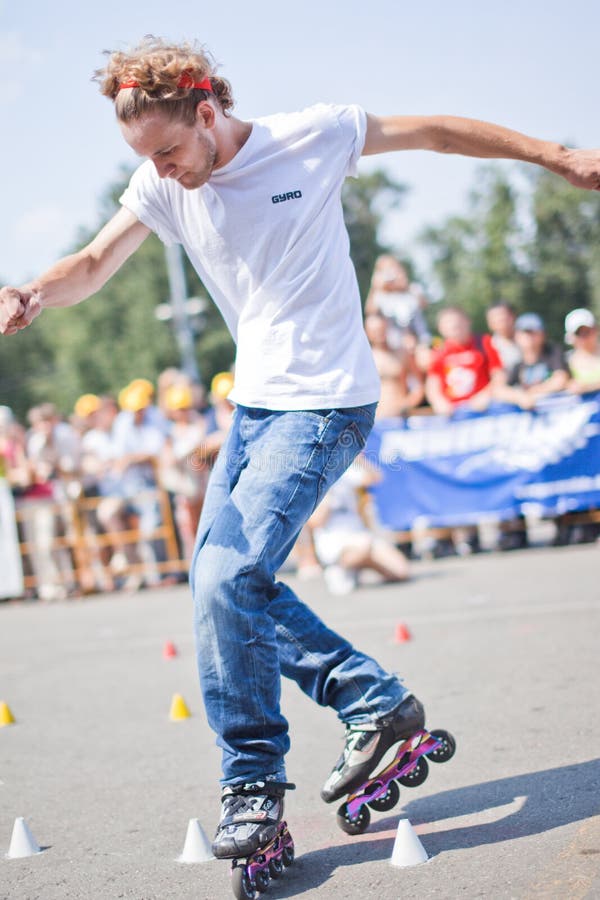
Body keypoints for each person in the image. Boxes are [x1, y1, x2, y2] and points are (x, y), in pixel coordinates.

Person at [2, 36, 600, 860]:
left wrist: (557, 155)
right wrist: (35, 290)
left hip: (326, 400)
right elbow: (96, 262)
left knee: (225, 576)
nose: (165, 170)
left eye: (172, 149)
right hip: (254, 410)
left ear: (208, 112)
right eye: (148, 157)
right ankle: (373, 702)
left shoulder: (310, 138)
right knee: (219, 590)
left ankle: (251, 781)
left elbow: (435, 132)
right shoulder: (159, 181)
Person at [309, 455, 410, 594]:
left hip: (359, 534)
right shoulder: (316, 477)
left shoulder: (347, 471)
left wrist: (357, 457)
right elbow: (315, 523)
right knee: (362, 550)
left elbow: (376, 477)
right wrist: (329, 496)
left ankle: (358, 567)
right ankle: (338, 567)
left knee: (401, 571)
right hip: (334, 541)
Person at [425, 306, 505, 415]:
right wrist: (438, 402)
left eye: (457, 322)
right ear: (441, 328)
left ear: (467, 322)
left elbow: (499, 376)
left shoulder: (484, 343)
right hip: (453, 415)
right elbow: (432, 384)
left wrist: (486, 394)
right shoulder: (439, 352)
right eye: (448, 323)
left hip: (483, 410)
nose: (453, 326)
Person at [494, 312, 569, 408]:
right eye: (525, 332)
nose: (529, 337)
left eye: (532, 332)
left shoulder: (552, 353)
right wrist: (519, 397)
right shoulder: (518, 364)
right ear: (516, 336)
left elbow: (561, 379)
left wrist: (533, 393)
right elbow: (499, 390)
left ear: (542, 334)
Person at [364, 312, 425, 418]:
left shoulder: (402, 354)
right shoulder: (364, 359)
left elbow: (419, 387)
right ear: (367, 332)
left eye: (382, 329)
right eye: (375, 331)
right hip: (375, 420)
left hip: (400, 417)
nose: (379, 333)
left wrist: (406, 405)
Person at [564, 308, 600, 394]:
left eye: (587, 331)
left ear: (596, 330)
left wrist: (588, 387)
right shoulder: (566, 360)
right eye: (579, 333)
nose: (584, 337)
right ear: (571, 336)